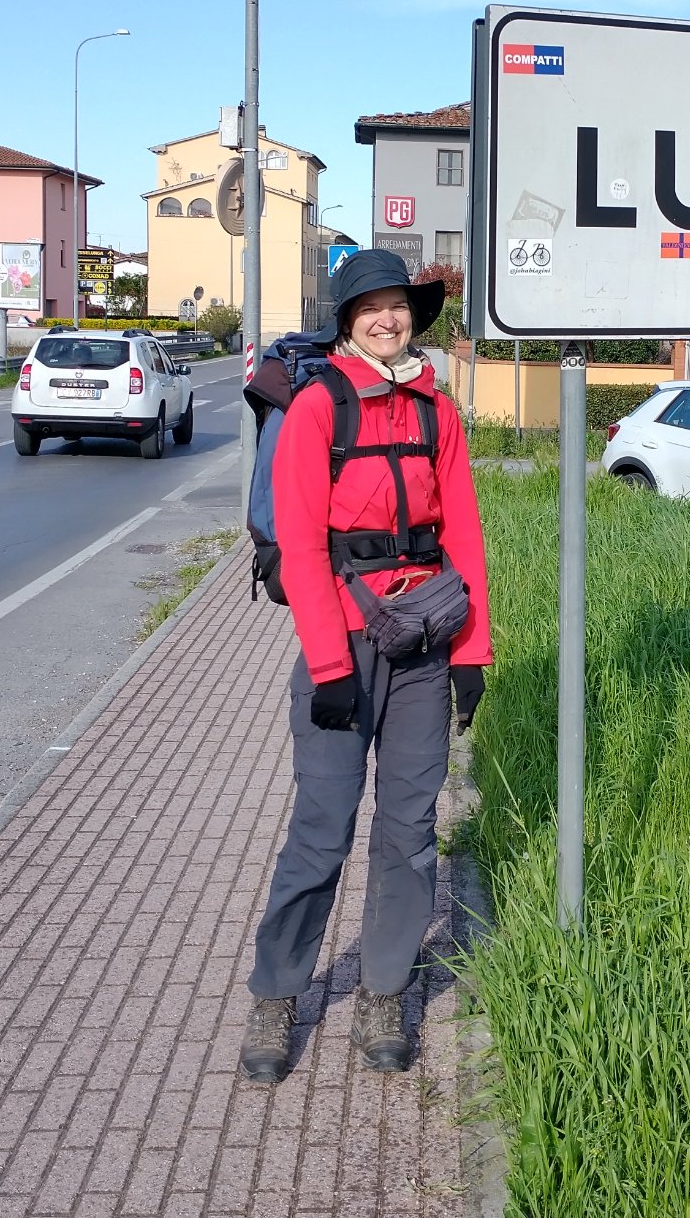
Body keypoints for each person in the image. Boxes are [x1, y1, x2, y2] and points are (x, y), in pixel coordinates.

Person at [239, 249, 492, 1084]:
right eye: (371, 306)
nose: (388, 318)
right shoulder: (319, 406)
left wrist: (471, 655)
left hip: (424, 643)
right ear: (347, 319)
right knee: (321, 831)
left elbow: (463, 536)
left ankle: (384, 990)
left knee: (410, 834)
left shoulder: (437, 411)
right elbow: (304, 546)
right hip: (343, 647)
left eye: (399, 305)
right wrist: (330, 666)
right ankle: (278, 995)